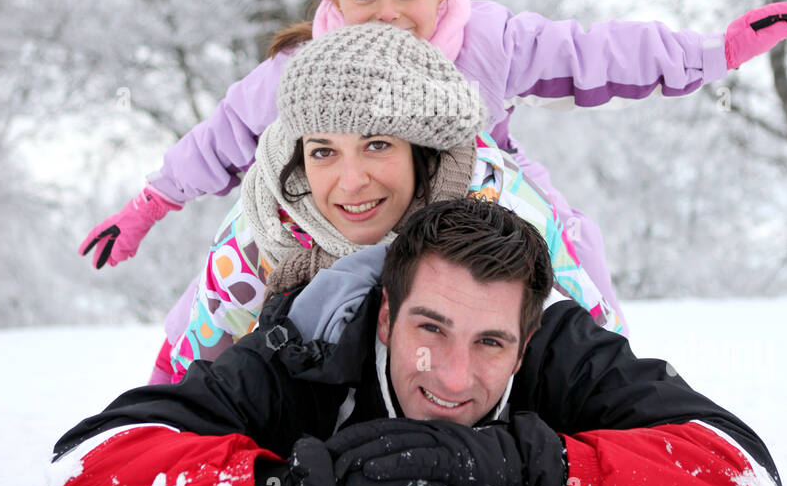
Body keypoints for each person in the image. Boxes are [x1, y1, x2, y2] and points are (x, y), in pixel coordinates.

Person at [78, 0, 787, 344]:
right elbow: (227, 137)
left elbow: (595, 52)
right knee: (243, 243)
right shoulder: (308, 66)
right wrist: (149, 206)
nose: (391, 13)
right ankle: (186, 382)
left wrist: (711, 53)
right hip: (350, 220)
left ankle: (599, 364)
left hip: (476, 210)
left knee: (564, 232)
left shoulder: (487, 38)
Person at [49, 198, 781, 486]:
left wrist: (533, 466)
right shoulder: (307, 346)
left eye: (491, 344)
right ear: (386, 317)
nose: (455, 377)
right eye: (431, 329)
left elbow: (740, 465)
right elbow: (84, 467)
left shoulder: (561, 344)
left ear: (526, 345)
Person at [162, 21, 622, 383]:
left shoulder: (497, 210)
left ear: (421, 150)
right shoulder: (266, 228)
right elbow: (185, 388)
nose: (352, 181)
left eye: (377, 145)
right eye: (324, 152)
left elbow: (595, 363)